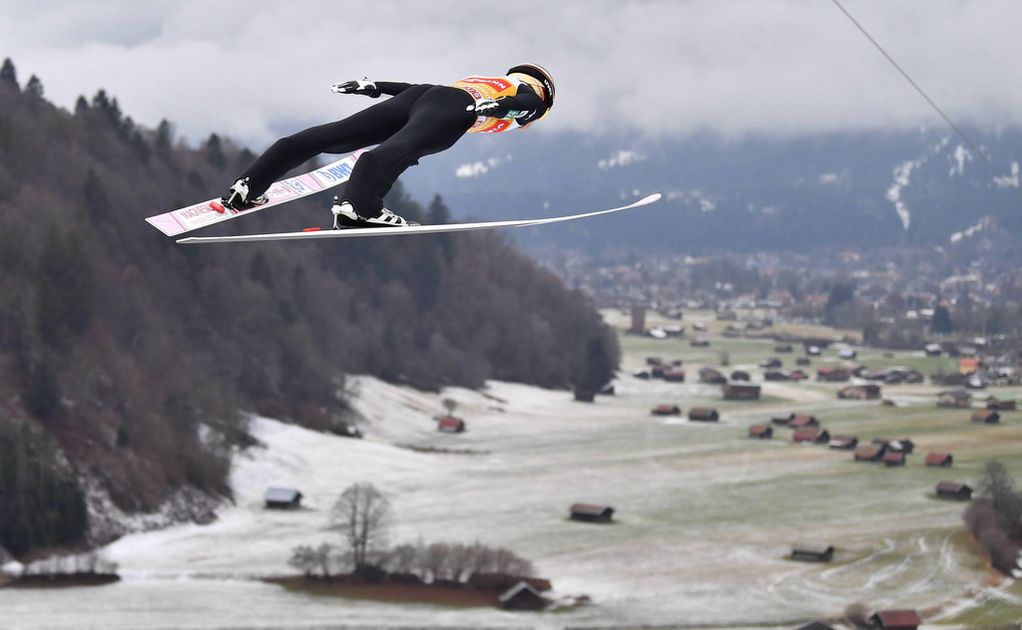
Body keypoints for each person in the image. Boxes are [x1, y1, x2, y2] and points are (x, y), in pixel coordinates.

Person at [218, 64, 554, 228]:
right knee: (395, 152)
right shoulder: (527, 97)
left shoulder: (491, 80)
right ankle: (359, 209)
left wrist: (374, 86)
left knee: (329, 135)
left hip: (422, 95)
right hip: (452, 109)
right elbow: (527, 104)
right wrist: (499, 108)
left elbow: (422, 89)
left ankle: (248, 185)